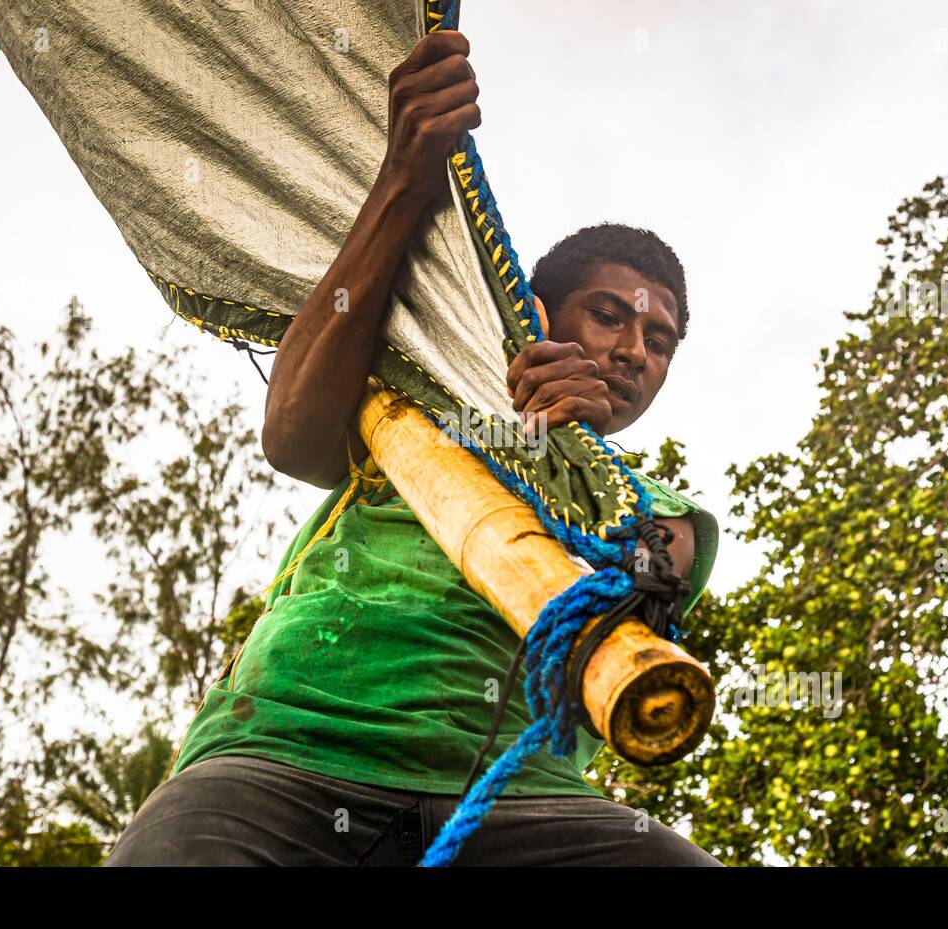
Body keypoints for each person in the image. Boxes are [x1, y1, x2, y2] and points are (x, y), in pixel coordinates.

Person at [105, 30, 722, 867]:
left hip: (528, 803)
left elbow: (649, 594)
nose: (633, 350)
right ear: (535, 315)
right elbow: (290, 435)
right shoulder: (406, 405)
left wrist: (557, 447)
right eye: (610, 315)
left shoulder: (663, 512)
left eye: (660, 340)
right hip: (284, 753)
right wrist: (402, 179)